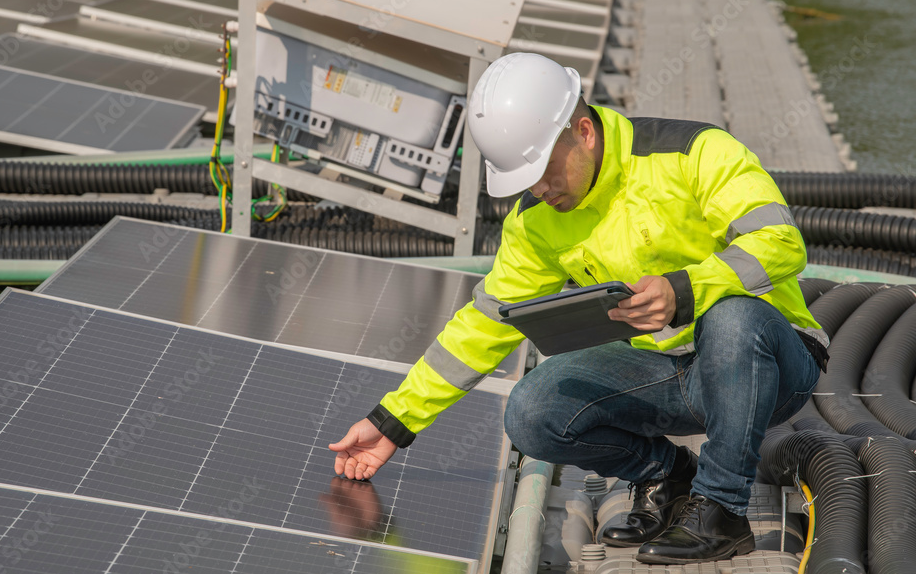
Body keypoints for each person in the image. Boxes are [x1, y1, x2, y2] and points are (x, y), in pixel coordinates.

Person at [328, 52, 828, 565]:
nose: (540, 190)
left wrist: (687, 289)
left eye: (543, 170)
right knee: (532, 411)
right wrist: (392, 421)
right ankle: (669, 475)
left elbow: (782, 241)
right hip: (668, 372)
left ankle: (721, 508)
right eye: (526, 182)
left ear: (584, 131)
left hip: (765, 364)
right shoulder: (537, 221)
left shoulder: (695, 152)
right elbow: (484, 324)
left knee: (732, 317)